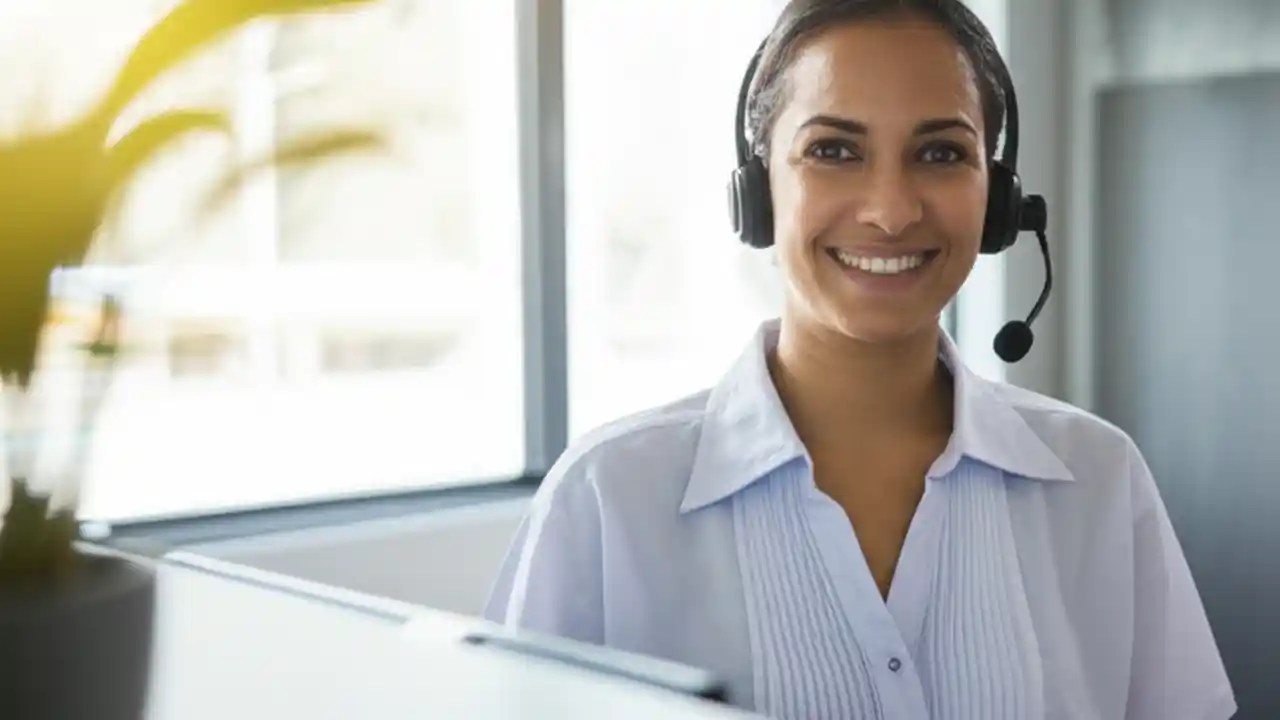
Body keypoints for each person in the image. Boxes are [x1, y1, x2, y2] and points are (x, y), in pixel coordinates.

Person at [483, 1, 1236, 717]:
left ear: (999, 200)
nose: (890, 210)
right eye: (833, 151)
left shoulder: (1098, 480)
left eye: (941, 153)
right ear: (760, 190)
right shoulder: (606, 501)